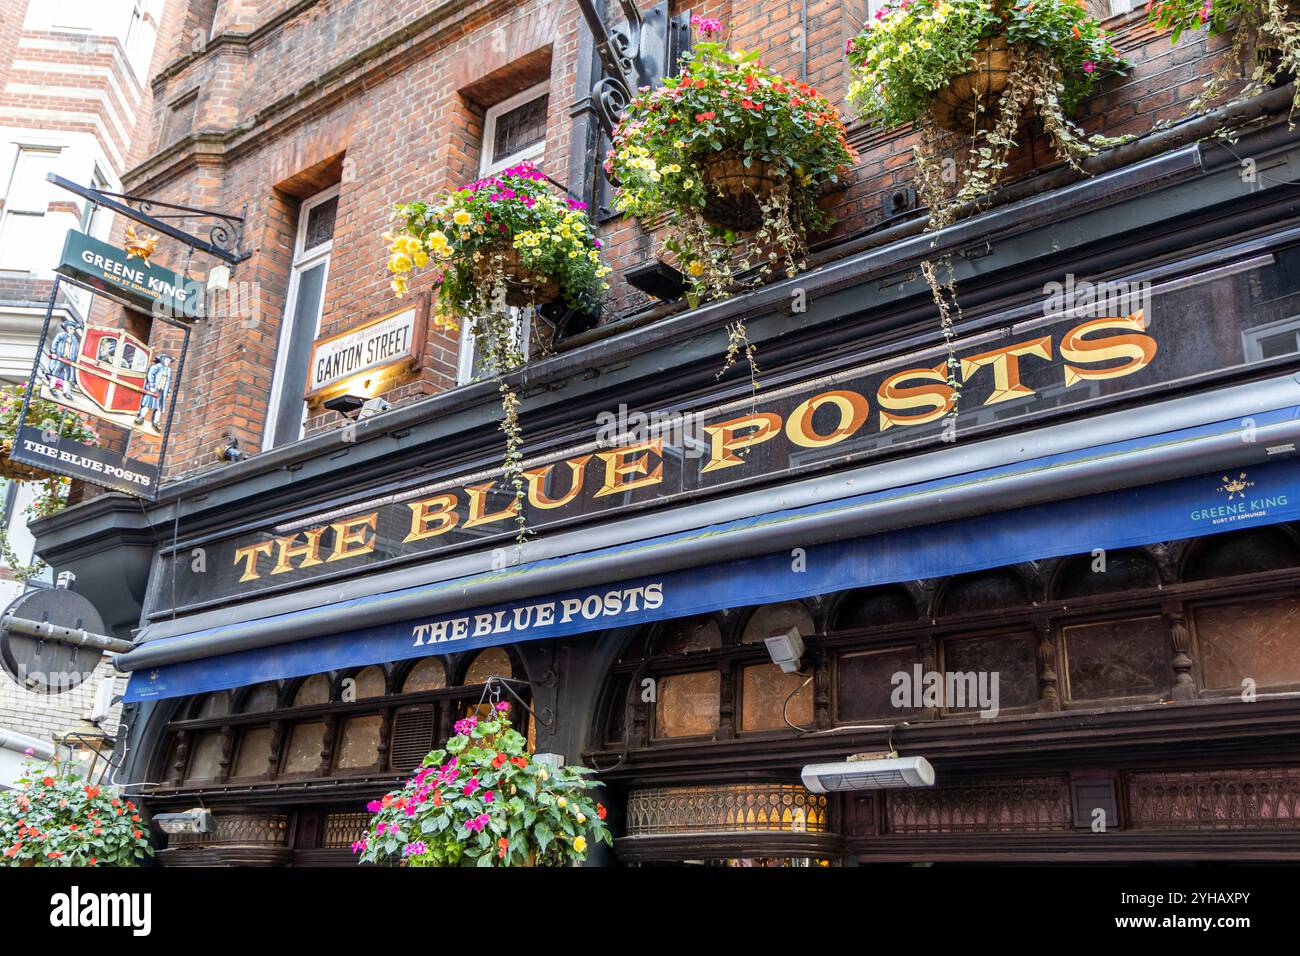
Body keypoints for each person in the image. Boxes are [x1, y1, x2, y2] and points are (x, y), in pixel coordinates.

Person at [134, 353, 173, 428]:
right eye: (167, 360)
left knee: (160, 407)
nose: (168, 362)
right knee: (148, 403)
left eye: (169, 360)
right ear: (162, 360)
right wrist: (151, 385)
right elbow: (150, 375)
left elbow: (168, 380)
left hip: (162, 390)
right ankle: (141, 417)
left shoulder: (169, 370)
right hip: (154, 389)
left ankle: (156, 422)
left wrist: (167, 390)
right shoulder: (156, 367)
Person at [46, 319, 81, 396]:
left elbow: (75, 350)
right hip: (60, 358)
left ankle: (66, 392)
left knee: (67, 376)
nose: (72, 330)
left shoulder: (74, 339)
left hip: (68, 360)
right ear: (67, 328)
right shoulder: (61, 335)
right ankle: (52, 387)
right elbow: (55, 343)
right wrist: (54, 352)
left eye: (74, 329)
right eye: (71, 328)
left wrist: (74, 360)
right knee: (55, 372)